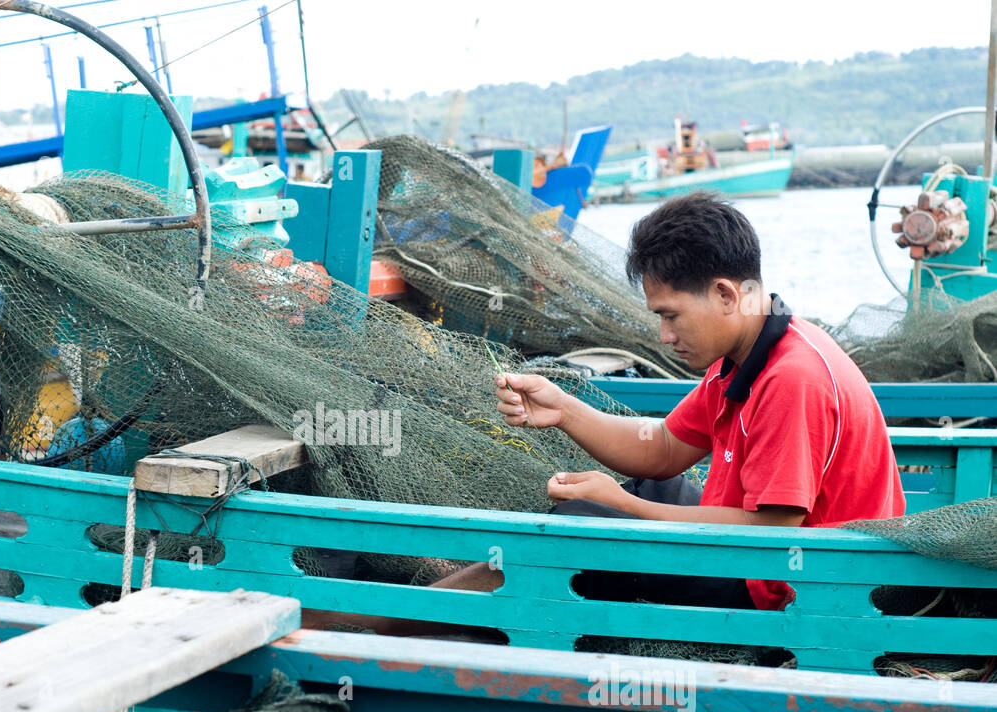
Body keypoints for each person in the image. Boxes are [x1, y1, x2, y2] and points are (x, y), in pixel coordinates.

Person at [302, 191, 904, 635]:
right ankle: (422, 612)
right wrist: (564, 410)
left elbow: (775, 532)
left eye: (670, 315)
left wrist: (626, 511)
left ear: (725, 294)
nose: (665, 335)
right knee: (649, 482)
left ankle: (385, 625)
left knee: (589, 522)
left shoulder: (793, 379)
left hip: (796, 589)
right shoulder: (750, 349)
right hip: (764, 555)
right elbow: (664, 447)